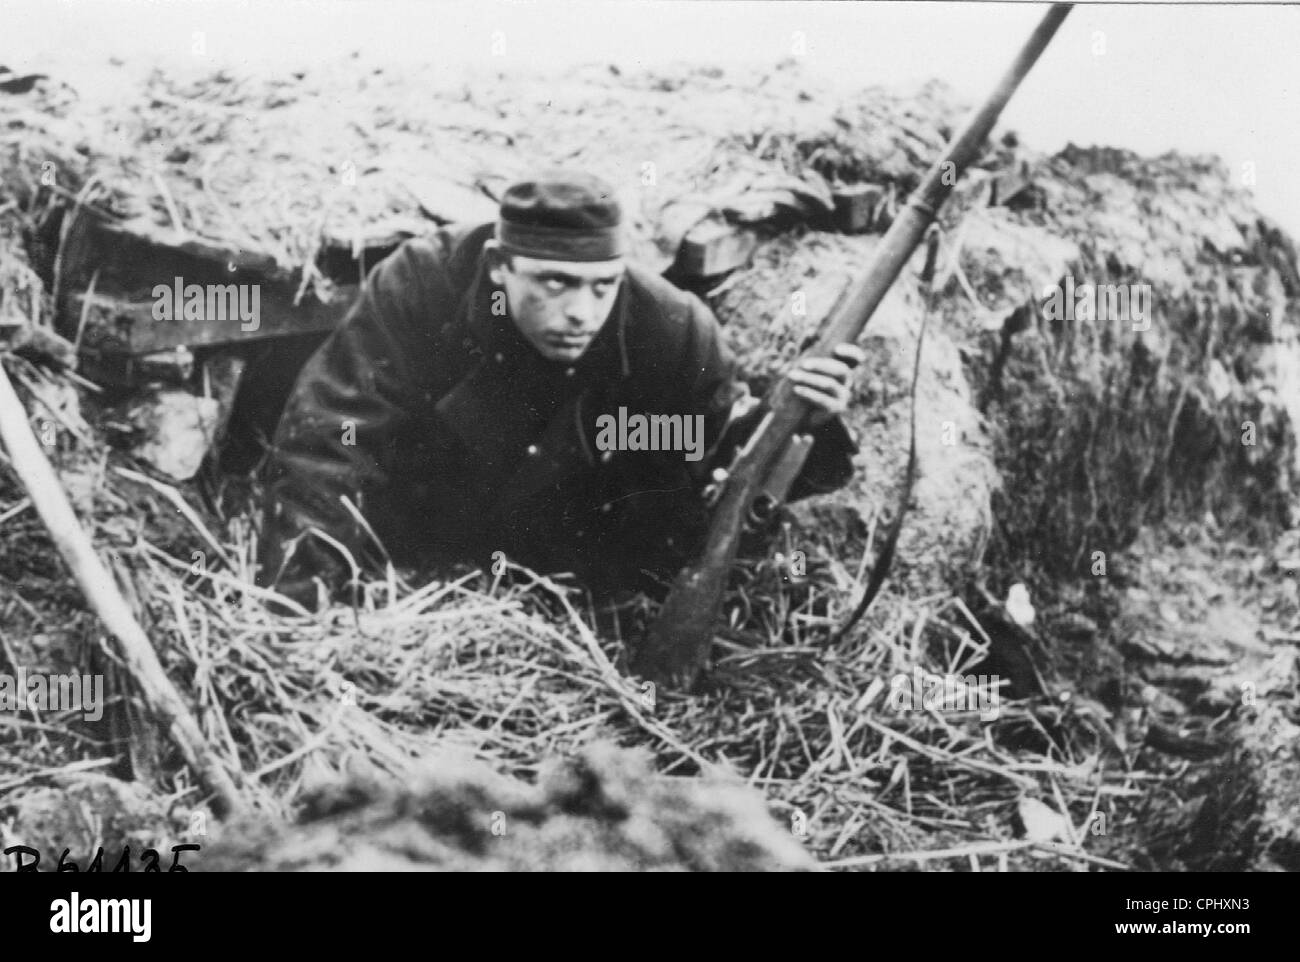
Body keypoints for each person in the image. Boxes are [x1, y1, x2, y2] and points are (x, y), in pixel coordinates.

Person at [258, 171, 864, 608]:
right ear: (498, 265)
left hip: (575, 580)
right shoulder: (424, 285)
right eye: (555, 283)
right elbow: (332, 438)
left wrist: (801, 420)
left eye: (602, 286)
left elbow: (720, 458)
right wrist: (299, 606)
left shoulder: (671, 329)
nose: (582, 312)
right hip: (419, 553)